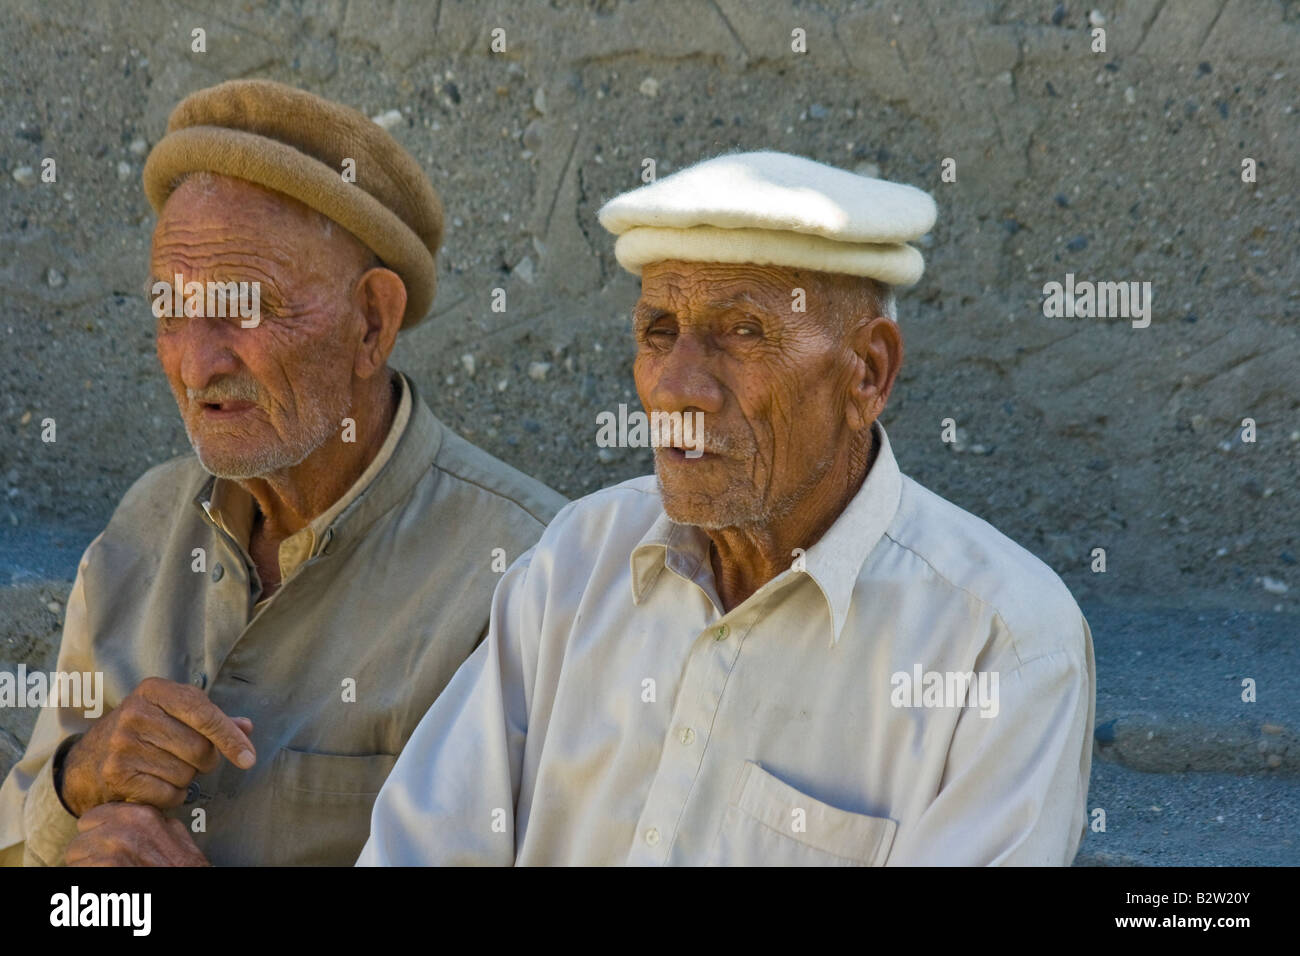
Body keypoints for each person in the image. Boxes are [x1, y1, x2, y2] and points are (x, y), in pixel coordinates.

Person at [358, 150, 1095, 866]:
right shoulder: (577, 561)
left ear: (868, 373)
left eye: (742, 333)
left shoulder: (1001, 645)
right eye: (658, 333)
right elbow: (423, 843)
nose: (678, 388)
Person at [0, 79, 565, 866]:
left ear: (373, 322)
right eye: (171, 310)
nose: (196, 364)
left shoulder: (528, 576)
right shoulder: (147, 521)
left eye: (245, 309)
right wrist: (76, 781)